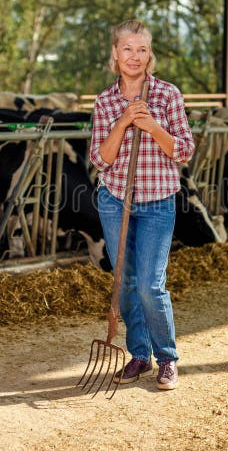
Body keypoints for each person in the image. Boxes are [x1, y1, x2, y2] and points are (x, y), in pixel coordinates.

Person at [89, 19, 195, 391]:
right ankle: (139, 354)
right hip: (115, 199)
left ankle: (167, 358)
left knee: (150, 284)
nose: (134, 56)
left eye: (142, 49)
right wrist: (122, 123)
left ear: (150, 56)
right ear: (115, 55)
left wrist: (151, 126)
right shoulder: (105, 101)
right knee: (127, 282)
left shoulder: (167, 95)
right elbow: (100, 160)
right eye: (127, 49)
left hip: (157, 202)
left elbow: (183, 150)